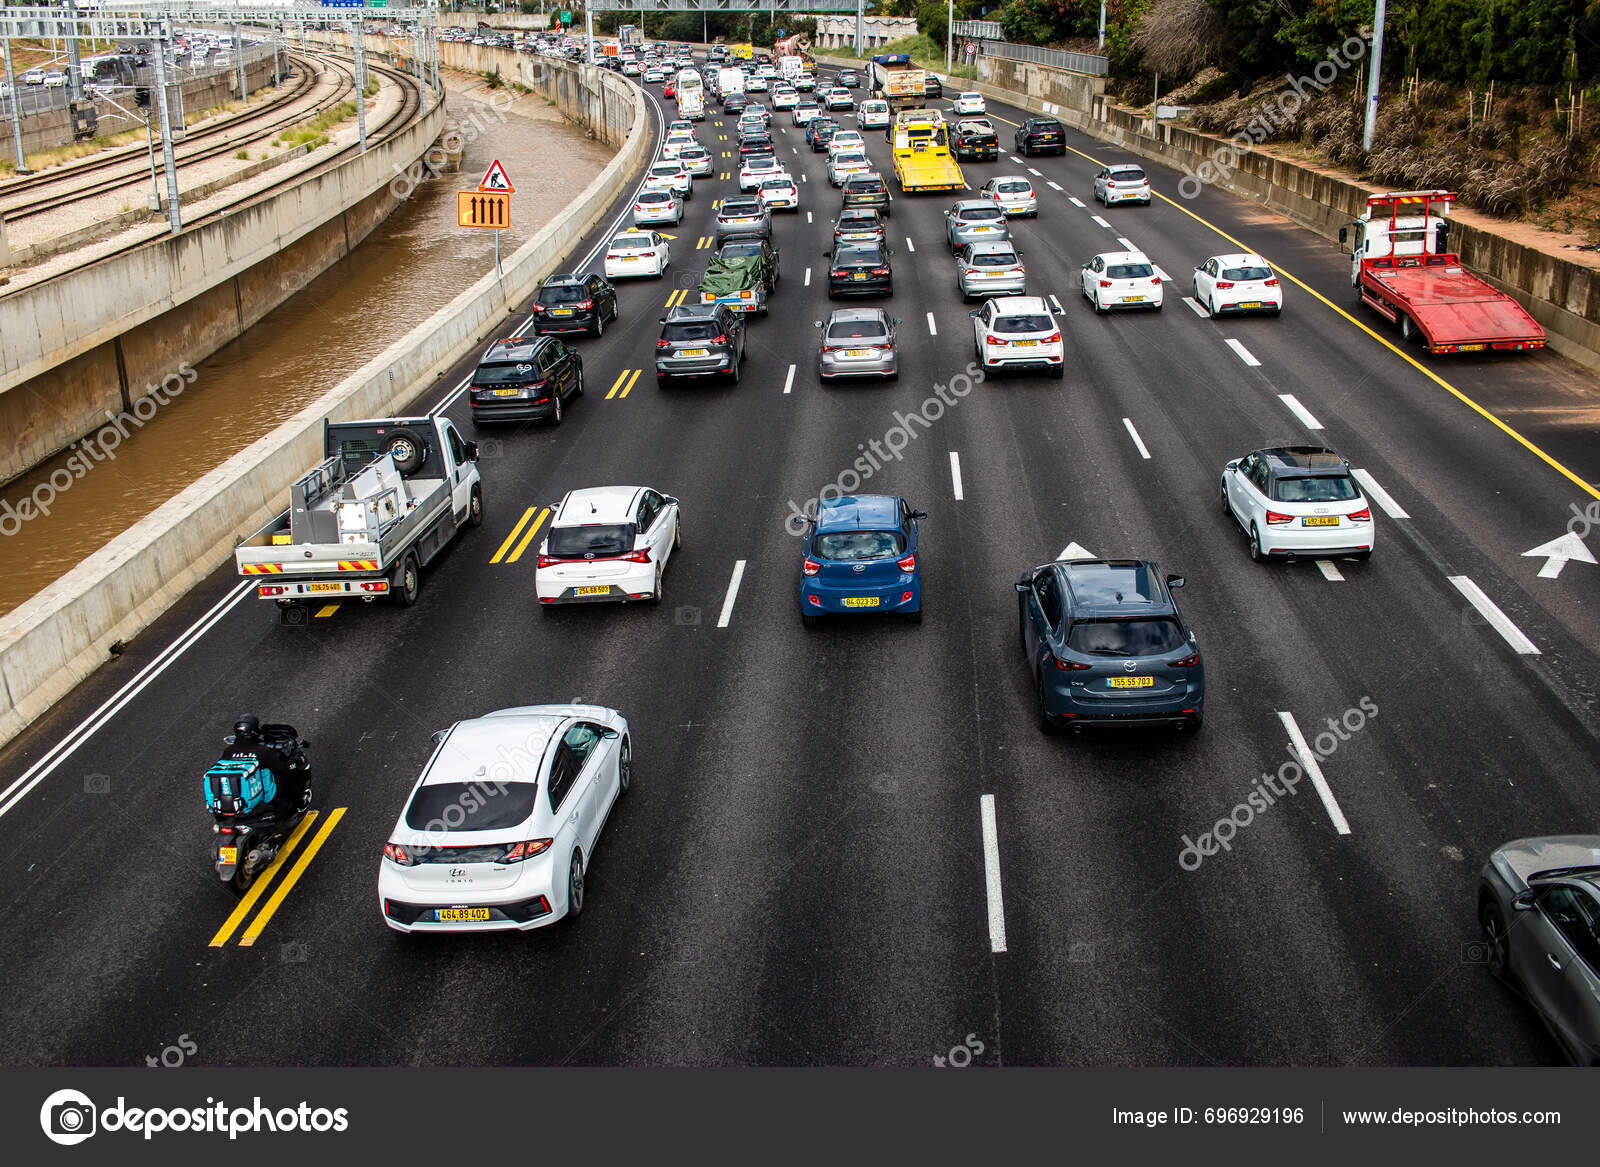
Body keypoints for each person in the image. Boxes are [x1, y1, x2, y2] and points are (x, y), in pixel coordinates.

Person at [214, 715, 310, 817]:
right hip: (263, 792)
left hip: (235, 791)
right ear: (254, 731)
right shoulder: (262, 751)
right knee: (286, 777)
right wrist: (291, 764)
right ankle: (297, 805)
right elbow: (281, 768)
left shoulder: (229, 750)